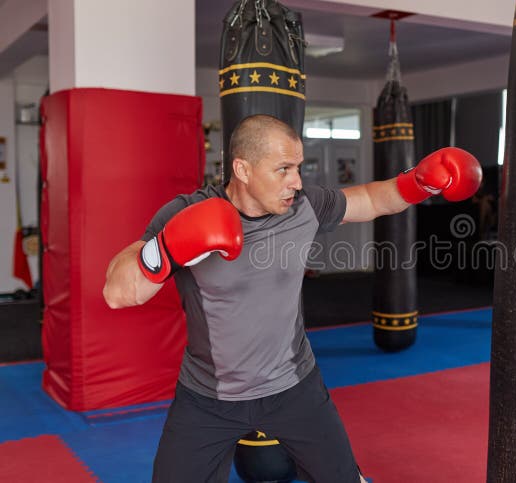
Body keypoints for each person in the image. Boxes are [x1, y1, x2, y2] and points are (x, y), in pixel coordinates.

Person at [102, 114, 482, 483]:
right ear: (243, 169)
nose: (296, 182)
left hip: (294, 388)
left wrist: (421, 183)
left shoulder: (305, 207)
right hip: (207, 396)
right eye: (283, 169)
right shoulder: (186, 213)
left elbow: (370, 198)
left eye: (298, 167)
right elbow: (118, 293)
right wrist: (168, 248)